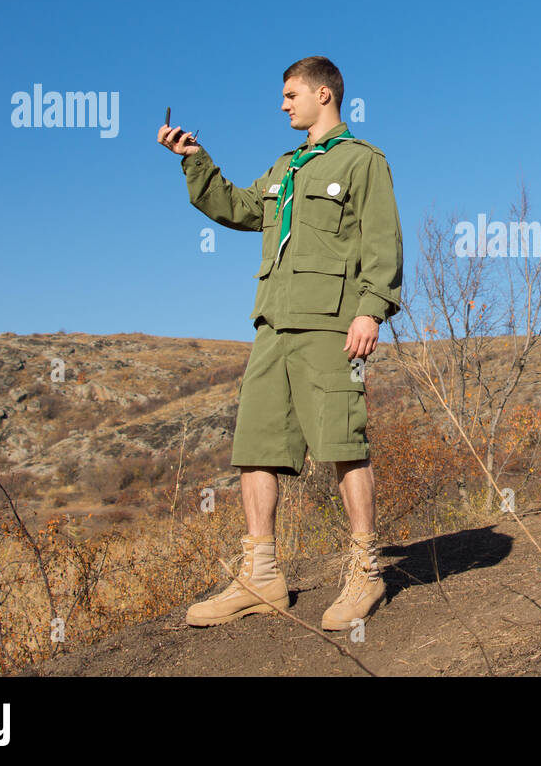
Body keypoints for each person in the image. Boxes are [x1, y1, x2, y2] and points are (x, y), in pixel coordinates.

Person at [156, 56, 402, 630]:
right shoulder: (285, 168)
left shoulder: (363, 162)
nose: (283, 104)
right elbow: (239, 208)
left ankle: (365, 570)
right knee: (257, 444)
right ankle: (261, 576)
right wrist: (195, 161)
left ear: (324, 94)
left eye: (291, 94)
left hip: (331, 324)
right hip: (272, 324)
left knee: (342, 439)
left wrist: (371, 310)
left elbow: (382, 238)